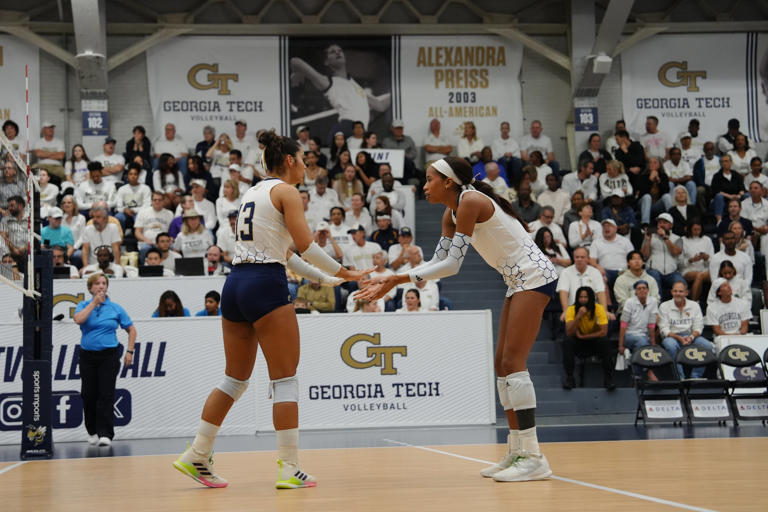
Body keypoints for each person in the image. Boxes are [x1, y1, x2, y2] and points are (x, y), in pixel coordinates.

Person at [174, 130, 366, 489]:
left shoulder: (254, 191)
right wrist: (345, 272)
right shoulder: (287, 191)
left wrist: (324, 281)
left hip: (235, 283)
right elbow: (306, 245)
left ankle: (197, 453)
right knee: (285, 379)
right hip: (265, 283)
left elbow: (287, 250)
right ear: (291, 161)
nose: (309, 165)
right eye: (305, 159)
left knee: (234, 378)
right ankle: (289, 468)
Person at [356, 156, 558, 482]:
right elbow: (439, 260)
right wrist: (394, 276)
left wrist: (397, 279)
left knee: (513, 361)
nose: (423, 186)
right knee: (501, 364)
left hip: (535, 276)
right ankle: (517, 450)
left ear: (448, 181)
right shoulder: (450, 214)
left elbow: (452, 267)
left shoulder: (471, 201)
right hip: (516, 281)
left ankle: (534, 456)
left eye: (429, 179)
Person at [73, 273, 136, 446]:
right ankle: (92, 431)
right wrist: (94, 303)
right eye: (97, 284)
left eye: (104, 283)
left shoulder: (115, 308)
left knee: (106, 394)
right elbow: (78, 320)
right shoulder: (83, 305)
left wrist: (129, 351)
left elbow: (131, 329)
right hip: (87, 356)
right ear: (90, 288)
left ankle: (105, 433)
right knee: (88, 394)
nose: (101, 286)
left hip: (108, 355)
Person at [290, 43, 391, 139]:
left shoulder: (355, 85)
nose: (337, 53)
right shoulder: (328, 82)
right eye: (332, 52)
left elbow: (380, 106)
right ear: (326, 61)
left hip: (361, 131)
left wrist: (399, 94)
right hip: (347, 127)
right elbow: (295, 61)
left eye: (339, 50)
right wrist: (298, 73)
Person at [562, 286, 614, 390]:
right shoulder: (571, 309)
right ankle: (570, 378)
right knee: (567, 341)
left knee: (605, 342)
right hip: (578, 342)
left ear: (591, 298)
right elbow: (569, 332)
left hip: (594, 341)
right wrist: (578, 316)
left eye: (586, 297)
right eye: (581, 297)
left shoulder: (598, 309)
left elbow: (603, 332)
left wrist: (584, 336)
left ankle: (608, 379)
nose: (583, 300)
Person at [658, 281, 713, 378]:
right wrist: (678, 338)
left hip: (690, 336)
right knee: (669, 345)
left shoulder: (694, 305)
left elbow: (698, 327)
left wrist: (691, 337)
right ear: (671, 292)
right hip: (672, 337)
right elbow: (664, 329)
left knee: (707, 346)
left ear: (686, 293)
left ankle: (696, 377)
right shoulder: (664, 306)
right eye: (675, 291)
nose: (677, 294)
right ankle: (680, 377)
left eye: (680, 291)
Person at [618, 280, 658, 373]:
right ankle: (649, 372)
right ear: (635, 291)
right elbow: (623, 324)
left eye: (644, 288)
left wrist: (653, 343)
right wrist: (620, 345)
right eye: (639, 289)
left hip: (644, 335)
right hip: (629, 335)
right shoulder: (629, 302)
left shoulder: (653, 301)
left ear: (648, 290)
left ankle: (636, 376)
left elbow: (652, 324)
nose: (642, 290)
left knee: (641, 345)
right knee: (642, 343)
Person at [641, 213, 683, 296]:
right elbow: (644, 256)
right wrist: (648, 241)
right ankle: (657, 304)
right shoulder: (650, 236)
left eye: (664, 222)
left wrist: (665, 238)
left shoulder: (677, 238)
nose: (661, 225)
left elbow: (676, 252)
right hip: (653, 269)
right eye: (659, 222)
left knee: (681, 283)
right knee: (654, 276)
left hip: (672, 272)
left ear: (671, 225)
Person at [678, 219, 713, 301]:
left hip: (704, 269)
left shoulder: (707, 240)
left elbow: (713, 260)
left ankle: (715, 301)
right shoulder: (682, 240)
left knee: (717, 274)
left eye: (699, 229)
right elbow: (678, 262)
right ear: (689, 229)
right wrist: (691, 260)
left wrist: (706, 258)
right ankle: (694, 302)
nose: (697, 232)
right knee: (699, 275)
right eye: (695, 229)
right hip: (688, 270)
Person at [636, 157, 672, 227]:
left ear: (659, 165)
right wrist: (650, 179)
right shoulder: (642, 177)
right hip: (643, 205)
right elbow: (641, 193)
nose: (652, 164)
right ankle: (645, 225)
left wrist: (659, 181)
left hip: (657, 205)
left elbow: (666, 191)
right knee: (647, 197)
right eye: (650, 162)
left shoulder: (663, 176)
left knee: (667, 196)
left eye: (655, 162)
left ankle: (671, 221)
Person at [711, 154, 745, 223]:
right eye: (722, 162)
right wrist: (729, 196)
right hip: (723, 199)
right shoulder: (717, 176)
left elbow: (742, 189)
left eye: (726, 161)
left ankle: (744, 219)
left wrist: (739, 195)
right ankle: (719, 221)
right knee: (719, 196)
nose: (724, 163)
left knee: (747, 196)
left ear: (731, 162)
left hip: (736, 198)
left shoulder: (736, 174)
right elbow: (715, 190)